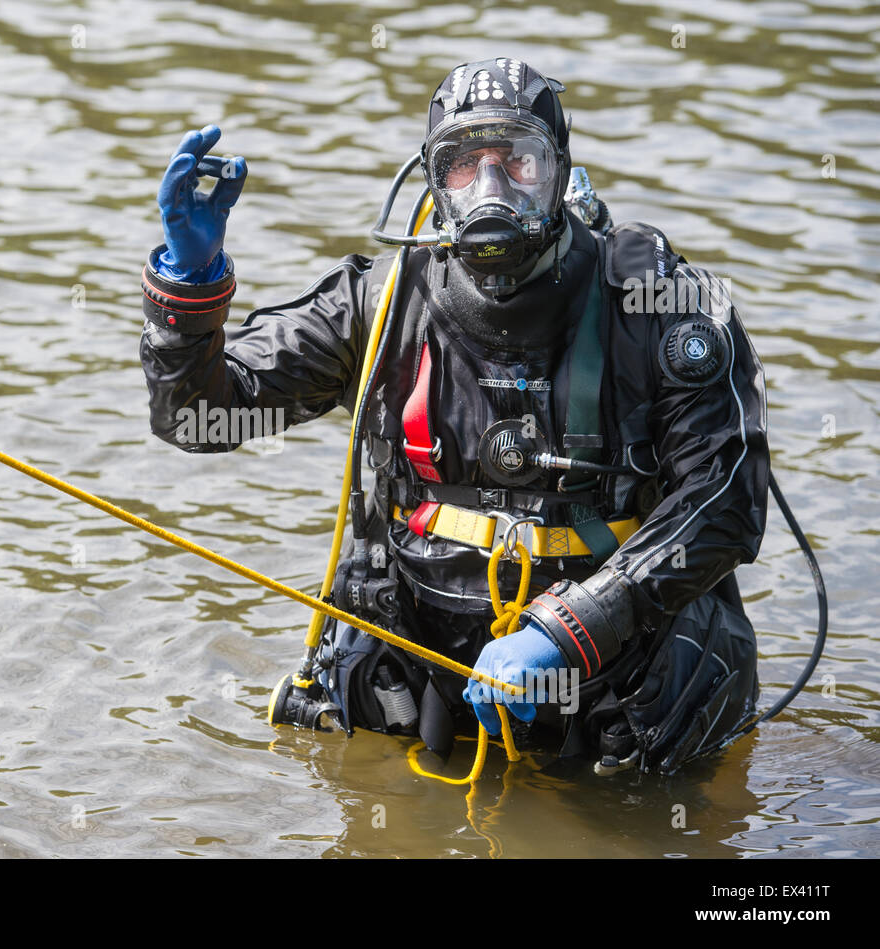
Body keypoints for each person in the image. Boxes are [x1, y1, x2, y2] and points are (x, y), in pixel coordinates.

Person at [138, 58, 769, 774]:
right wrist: (188, 291)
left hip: (625, 675)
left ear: (558, 171)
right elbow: (195, 418)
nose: (491, 188)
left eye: (518, 161)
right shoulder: (378, 306)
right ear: (433, 183)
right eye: (464, 164)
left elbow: (724, 506)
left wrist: (574, 630)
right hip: (429, 670)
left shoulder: (660, 310)